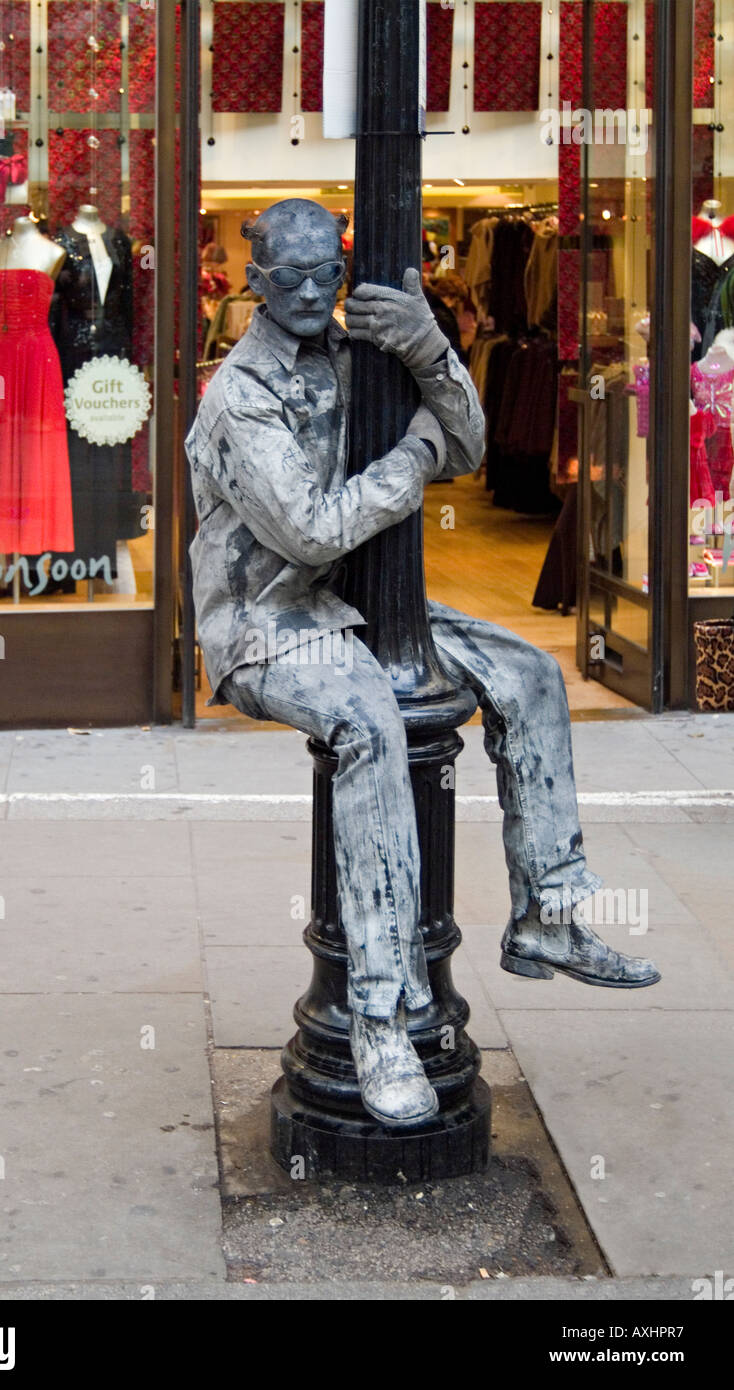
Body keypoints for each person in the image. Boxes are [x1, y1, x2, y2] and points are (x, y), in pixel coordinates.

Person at [185, 199, 660, 1129]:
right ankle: (379, 1011)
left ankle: (548, 912)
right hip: (264, 621)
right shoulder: (239, 390)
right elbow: (314, 527)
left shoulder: (359, 350)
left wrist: (429, 347)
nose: (314, 293)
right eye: (291, 279)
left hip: (356, 602)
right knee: (372, 722)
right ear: (255, 280)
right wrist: (411, 456)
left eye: (329, 273)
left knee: (527, 672)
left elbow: (471, 446)